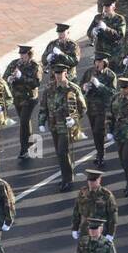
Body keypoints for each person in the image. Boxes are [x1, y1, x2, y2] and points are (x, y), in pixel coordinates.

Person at [38, 63, 88, 192]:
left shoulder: (72, 89)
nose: (58, 76)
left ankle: (67, 179)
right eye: (56, 73)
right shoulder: (49, 88)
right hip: (53, 125)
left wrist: (74, 120)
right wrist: (41, 122)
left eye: (60, 73)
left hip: (66, 126)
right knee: (60, 154)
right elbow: (43, 106)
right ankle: (66, 176)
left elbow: (82, 108)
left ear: (65, 73)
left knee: (62, 152)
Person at [4, 45, 41, 160]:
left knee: (24, 122)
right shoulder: (14, 63)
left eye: (23, 54)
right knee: (25, 121)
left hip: (29, 98)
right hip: (17, 98)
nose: (21, 56)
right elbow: (5, 76)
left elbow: (36, 83)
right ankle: (30, 143)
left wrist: (21, 77)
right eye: (20, 54)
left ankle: (24, 149)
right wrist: (9, 79)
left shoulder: (35, 66)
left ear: (29, 55)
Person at [71, 169, 118, 240]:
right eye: (89, 180)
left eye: (93, 180)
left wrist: (110, 233)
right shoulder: (82, 192)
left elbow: (113, 215)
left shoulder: (106, 195)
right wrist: (75, 228)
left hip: (101, 232)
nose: (91, 182)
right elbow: (76, 211)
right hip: (85, 232)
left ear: (99, 180)